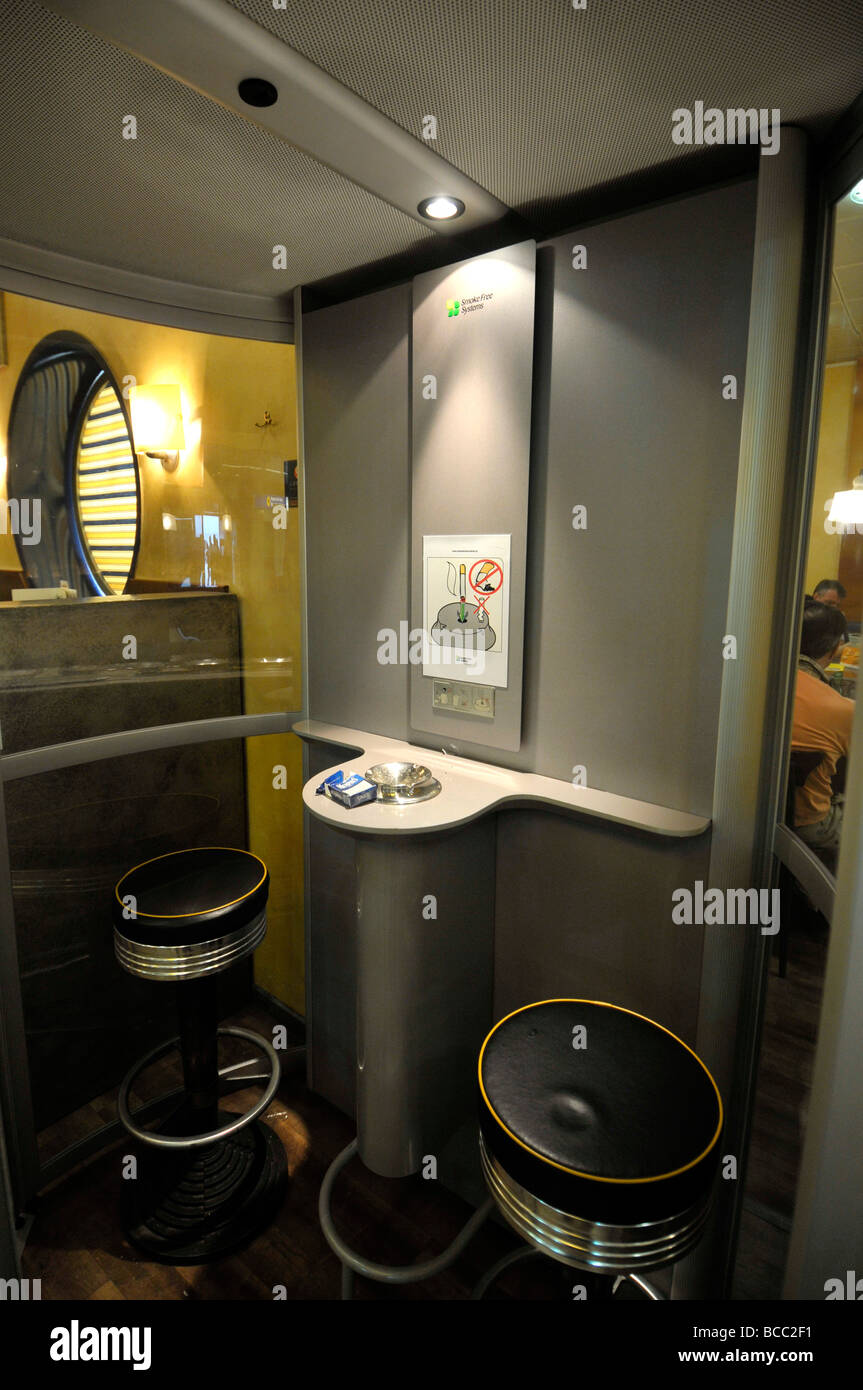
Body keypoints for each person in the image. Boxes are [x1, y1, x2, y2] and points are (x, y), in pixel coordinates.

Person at [790, 601, 853, 851]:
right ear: (837, 646)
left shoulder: (765, 683)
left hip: (756, 815)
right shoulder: (843, 710)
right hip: (811, 824)